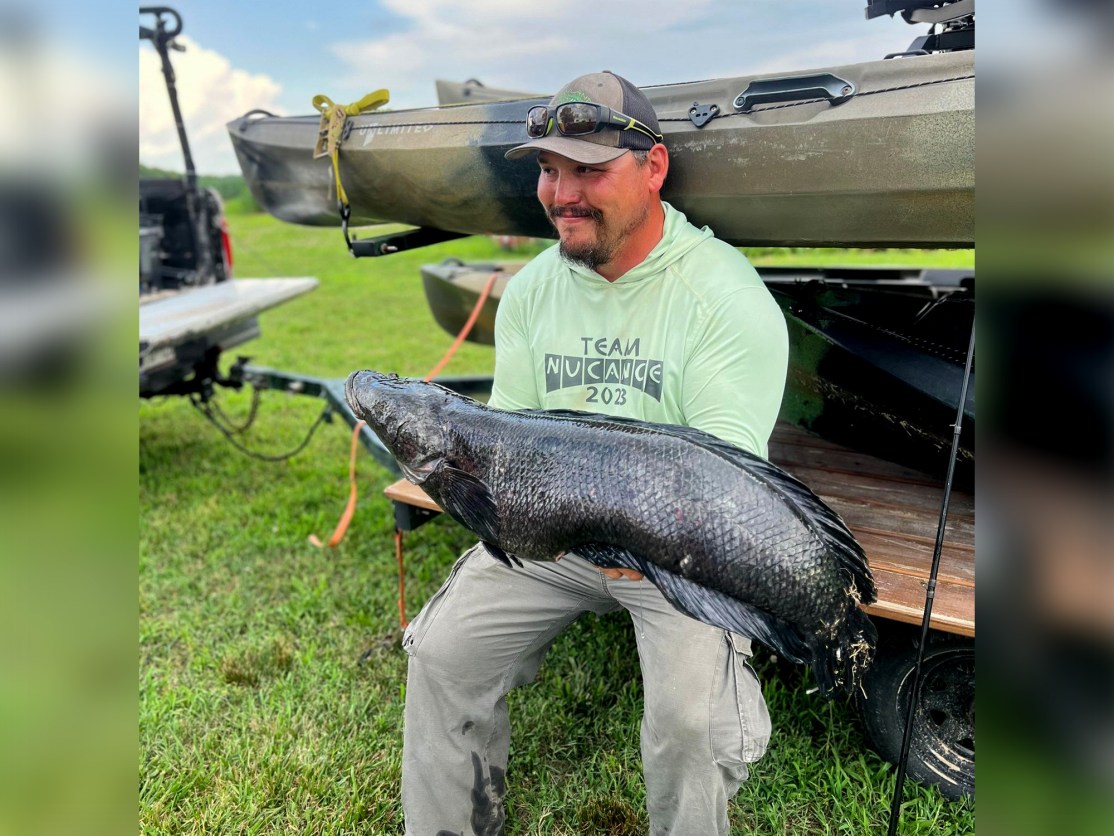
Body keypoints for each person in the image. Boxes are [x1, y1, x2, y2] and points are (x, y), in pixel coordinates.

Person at [400, 70, 789, 835]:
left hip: (681, 554)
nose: (561, 193)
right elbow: (506, 444)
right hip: (555, 537)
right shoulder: (536, 290)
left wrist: (626, 542)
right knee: (442, 652)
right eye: (549, 169)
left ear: (652, 168)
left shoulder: (724, 297)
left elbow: (721, 492)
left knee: (689, 722)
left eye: (589, 169)